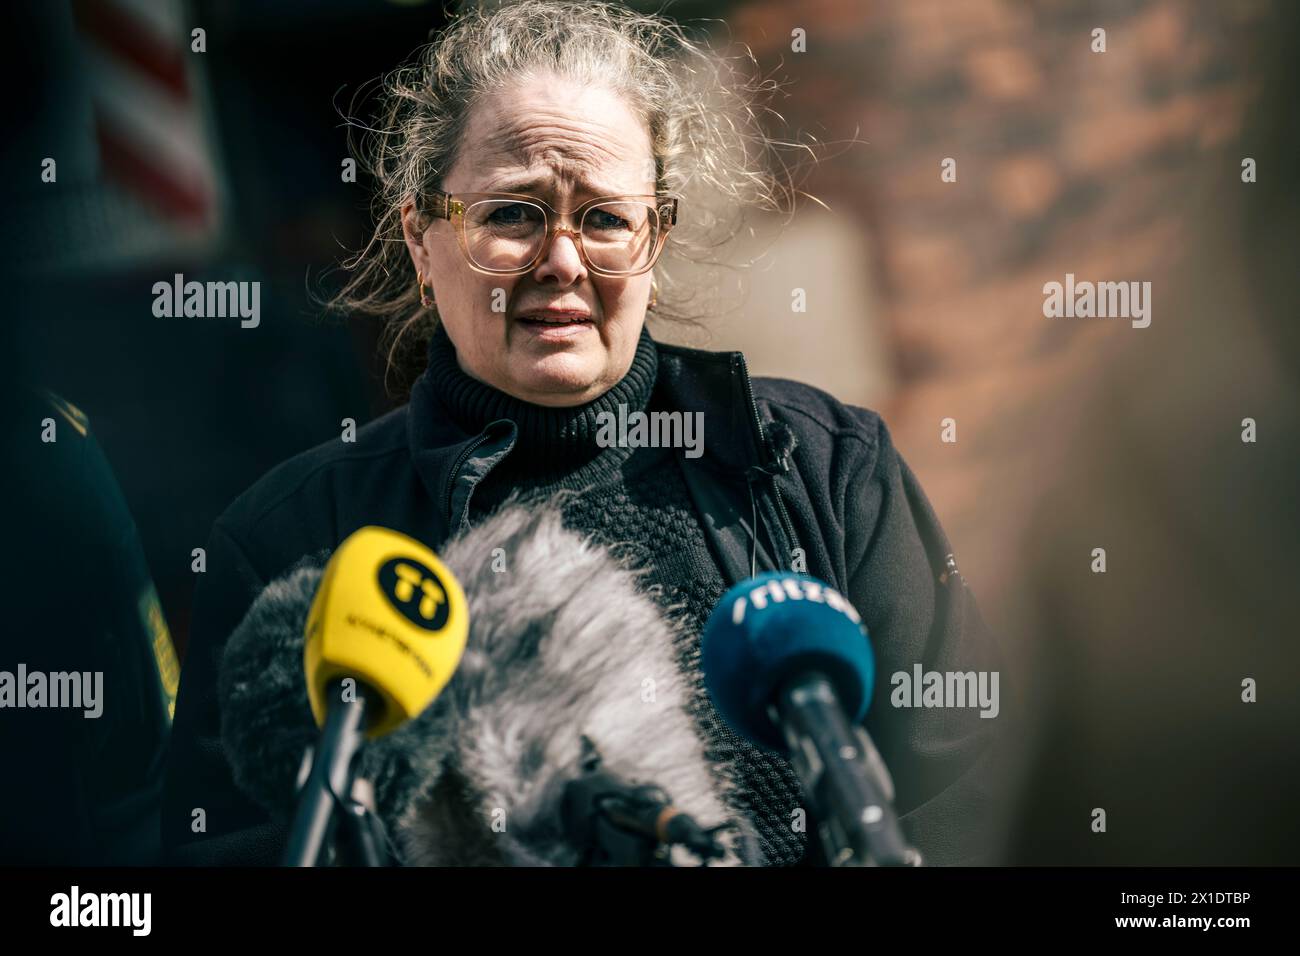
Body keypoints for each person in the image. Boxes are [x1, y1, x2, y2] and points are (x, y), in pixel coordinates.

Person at [162, 0, 1001, 866]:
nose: (561, 260)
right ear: (421, 240)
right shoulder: (286, 543)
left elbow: (971, 798)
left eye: (605, 218)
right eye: (513, 214)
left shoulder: (825, 468)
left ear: (657, 239)